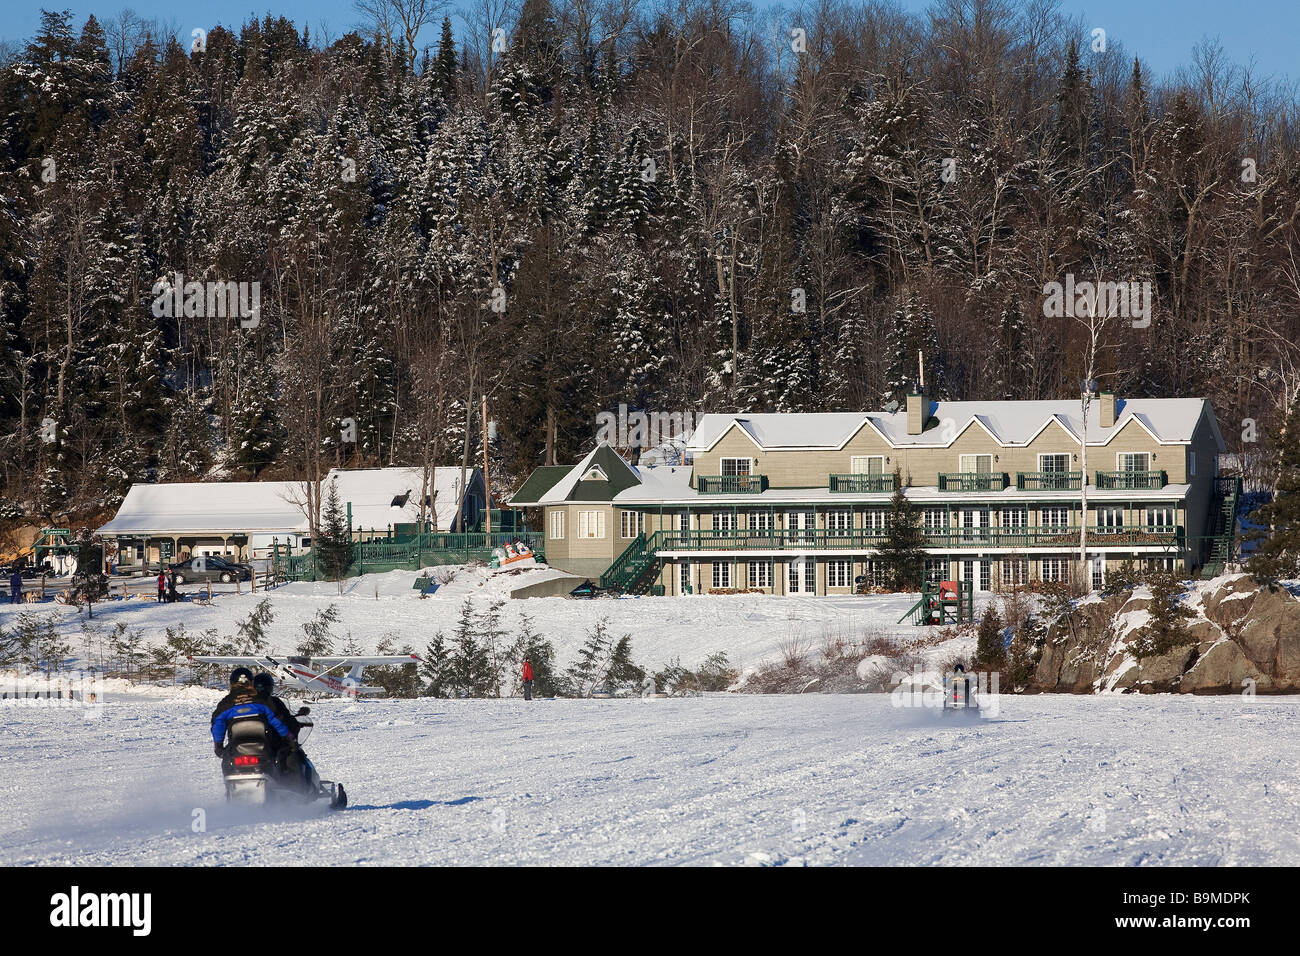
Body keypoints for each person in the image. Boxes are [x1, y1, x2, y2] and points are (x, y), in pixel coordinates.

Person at [211, 667, 293, 757]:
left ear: (232, 683)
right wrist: (288, 737)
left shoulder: (226, 703)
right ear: (251, 682)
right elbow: (276, 720)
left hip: (236, 748)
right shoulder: (262, 699)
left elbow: (218, 723)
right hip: (264, 746)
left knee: (228, 760)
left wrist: (218, 745)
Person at [253, 672, 307, 787]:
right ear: (269, 687)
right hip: (271, 743)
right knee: (293, 755)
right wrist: (292, 736)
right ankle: (298, 791)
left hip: (245, 744)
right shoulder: (273, 702)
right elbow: (284, 721)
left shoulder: (245, 704)